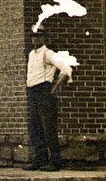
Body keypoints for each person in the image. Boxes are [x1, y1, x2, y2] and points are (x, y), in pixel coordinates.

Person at [25, 29, 72, 171]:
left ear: (44, 38)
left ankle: (55, 161)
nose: (36, 40)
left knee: (48, 127)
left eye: (39, 36)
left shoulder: (48, 53)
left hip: (44, 92)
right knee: (35, 126)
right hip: (33, 92)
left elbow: (66, 68)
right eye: (34, 36)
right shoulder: (31, 54)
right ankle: (41, 158)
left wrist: (55, 86)